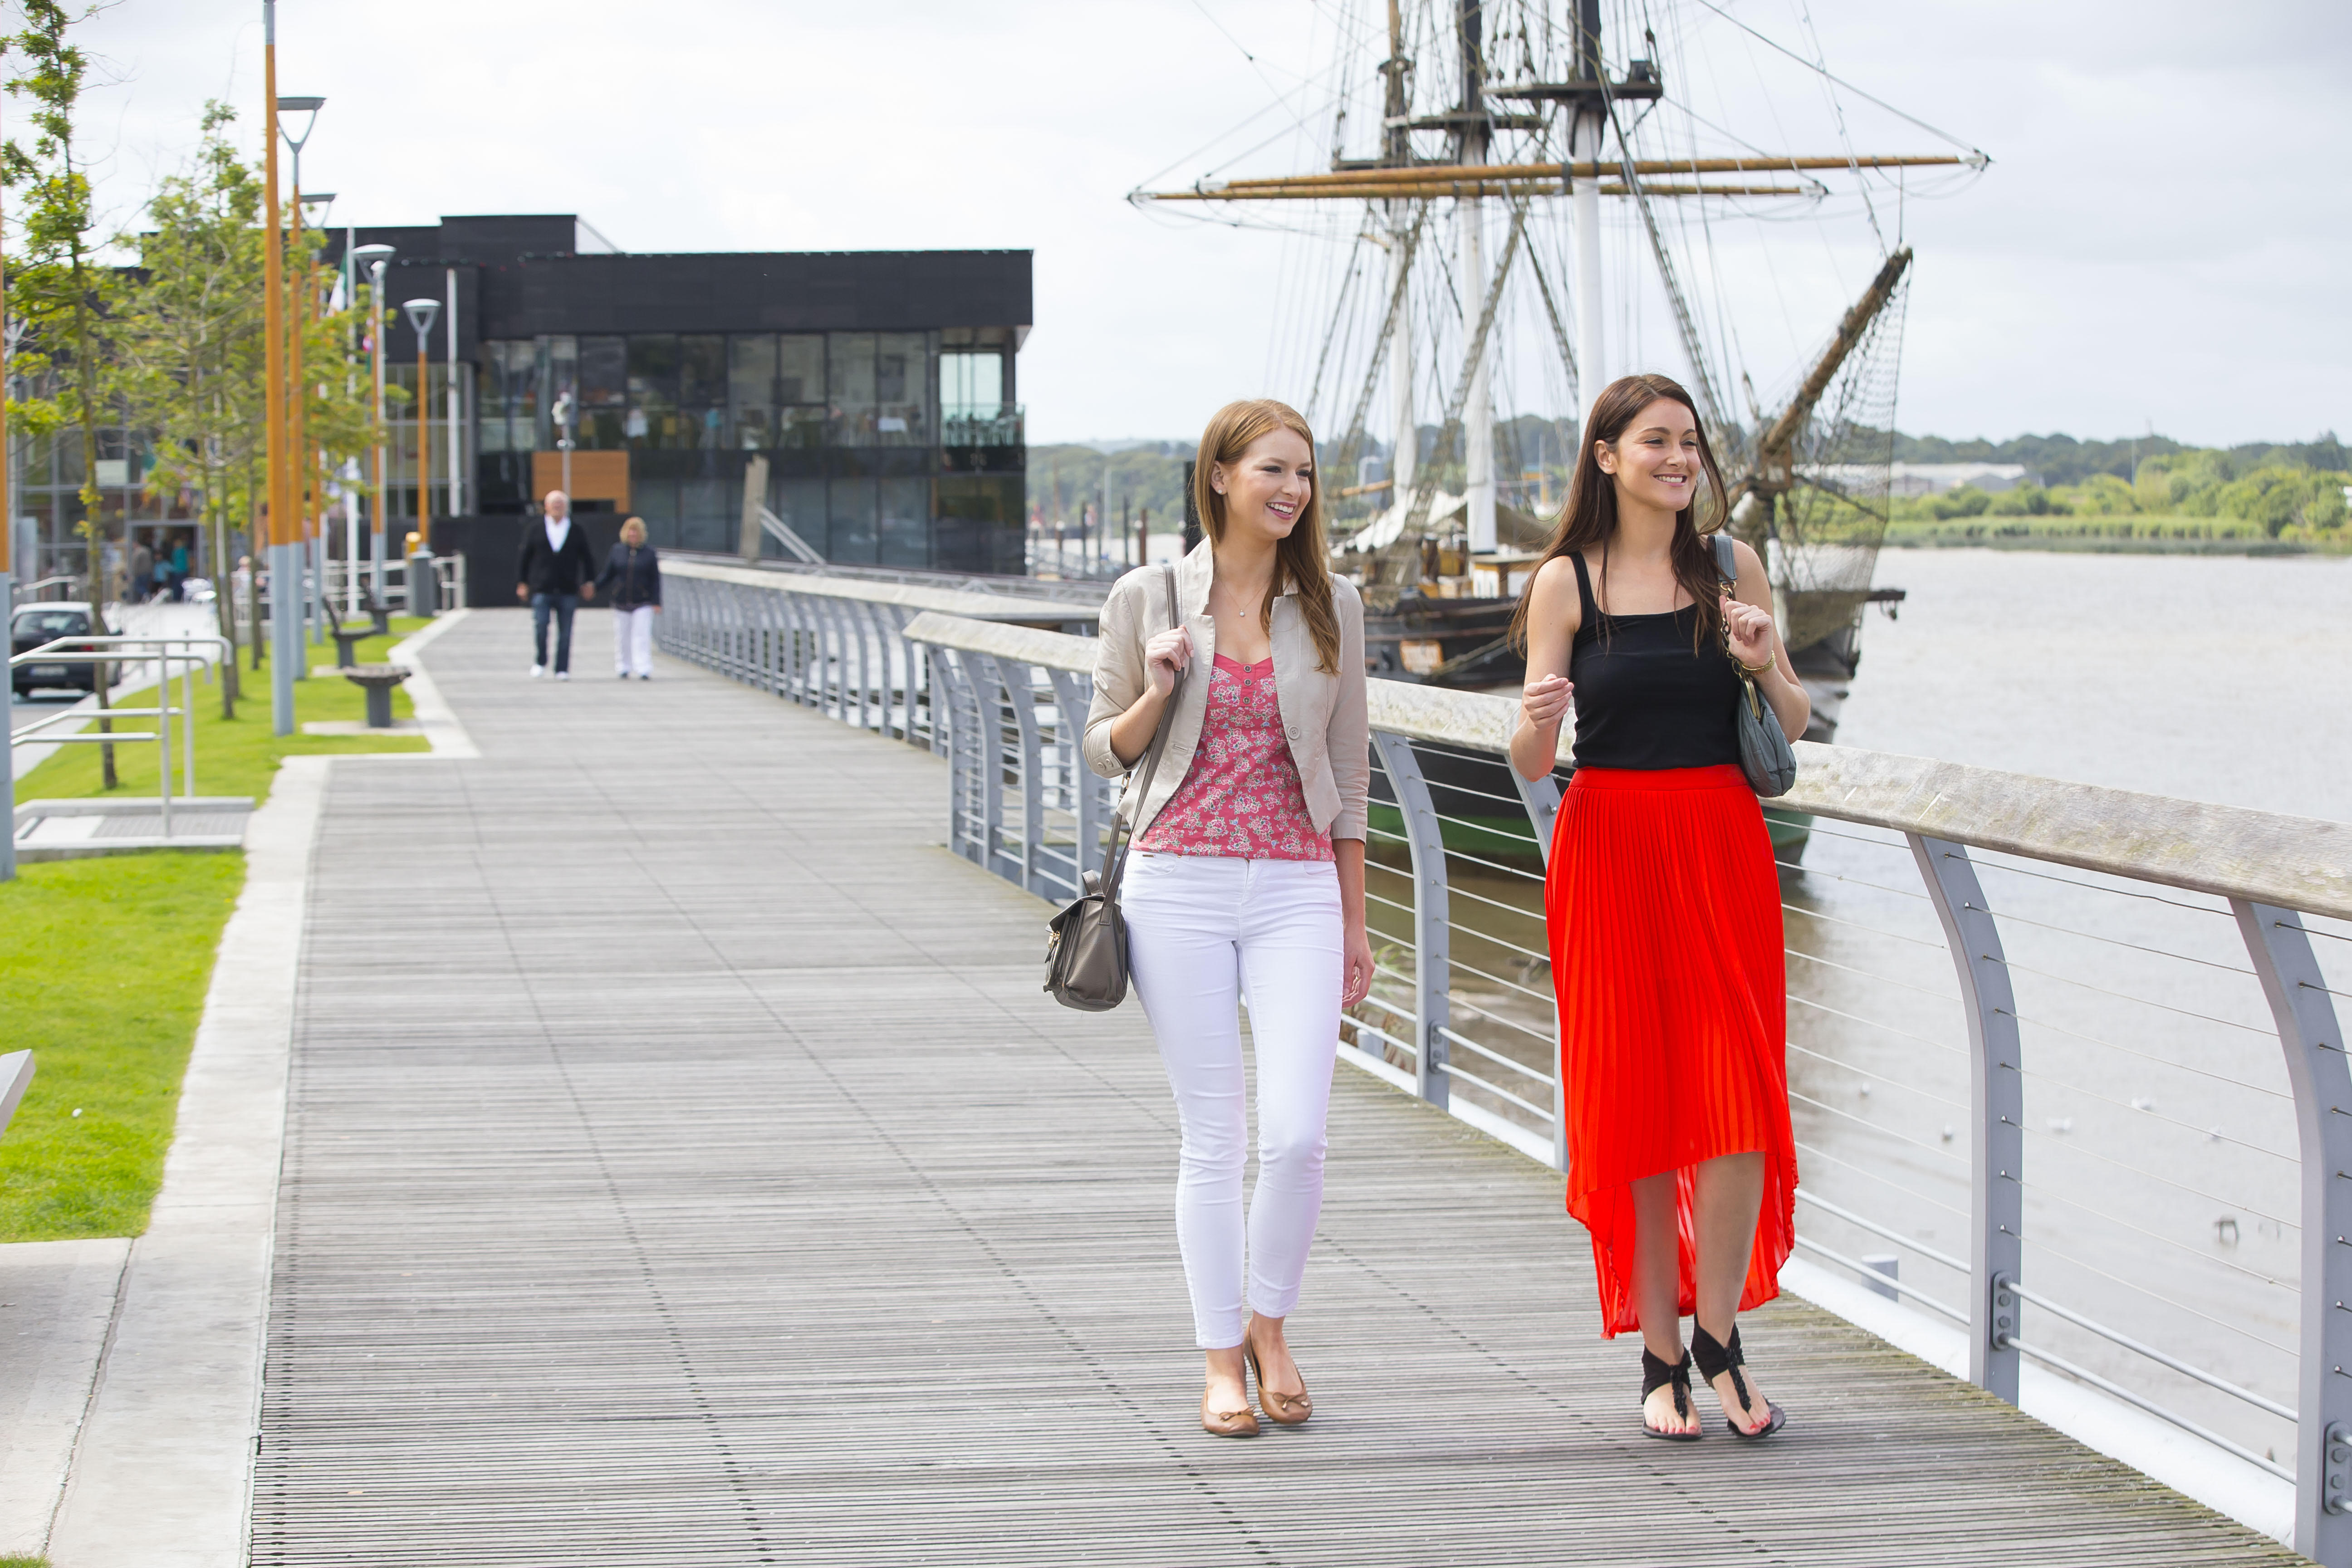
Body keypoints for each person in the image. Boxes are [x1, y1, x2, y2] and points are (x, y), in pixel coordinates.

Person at [1508, 373, 1810, 1443]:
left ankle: (1719, 1334)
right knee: (1634, 1104)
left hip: (1719, 842)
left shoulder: (1728, 564)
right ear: (1605, 456)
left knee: (1735, 1096)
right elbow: (1534, 757)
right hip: (1607, 847)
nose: (1679, 459)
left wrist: (1761, 654)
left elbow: (1795, 716)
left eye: (1688, 442)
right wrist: (1534, 718)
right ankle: (1659, 1350)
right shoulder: (1563, 584)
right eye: (1655, 441)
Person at [1083, 398, 1372, 1439]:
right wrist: (1157, 689)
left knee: (1296, 1135)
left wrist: (1355, 920)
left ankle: (1270, 1323)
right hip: (1178, 884)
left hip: (1296, 882)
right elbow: (1102, 748)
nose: (1290, 489)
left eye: (1302, 473)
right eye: (1270, 470)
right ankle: (1218, 1356)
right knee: (1215, 1135)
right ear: (1217, 475)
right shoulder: (1145, 594)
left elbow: (1348, 771)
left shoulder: (1333, 601)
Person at [516, 489, 598, 679]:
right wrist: (522, 582)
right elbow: (524, 558)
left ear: (566, 507)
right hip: (542, 588)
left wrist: (589, 582)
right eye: (554, 504)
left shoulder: (576, 529)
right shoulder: (535, 529)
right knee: (541, 627)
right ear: (546, 506)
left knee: (566, 632)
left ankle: (562, 668)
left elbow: (587, 558)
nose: (557, 507)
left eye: (561, 504)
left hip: (568, 589)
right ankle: (540, 661)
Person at [597, 515, 662, 680]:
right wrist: (594, 587)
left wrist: (657, 601)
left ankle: (643, 667)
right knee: (622, 636)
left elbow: (655, 579)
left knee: (642, 635)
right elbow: (608, 574)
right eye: (631, 532)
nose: (633, 535)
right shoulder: (618, 551)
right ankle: (624, 666)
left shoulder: (649, 553)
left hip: (643, 601)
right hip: (621, 601)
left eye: (636, 532)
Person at [129, 539, 153, 604]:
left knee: (137, 586)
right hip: (148, 572)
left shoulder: (137, 553)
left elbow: (135, 564)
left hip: (140, 573)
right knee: (144, 586)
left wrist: (133, 574)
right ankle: (146, 598)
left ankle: (147, 595)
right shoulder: (147, 550)